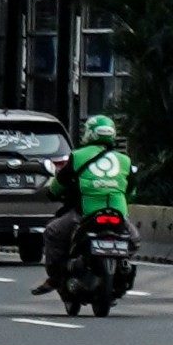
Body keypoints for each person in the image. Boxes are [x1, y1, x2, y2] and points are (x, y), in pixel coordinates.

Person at [52, 112, 137, 282]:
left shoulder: (77, 156)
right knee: (134, 240)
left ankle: (55, 277)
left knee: (52, 232)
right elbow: (131, 192)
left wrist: (53, 194)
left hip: (86, 213)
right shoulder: (124, 160)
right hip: (118, 213)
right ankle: (124, 263)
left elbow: (57, 186)